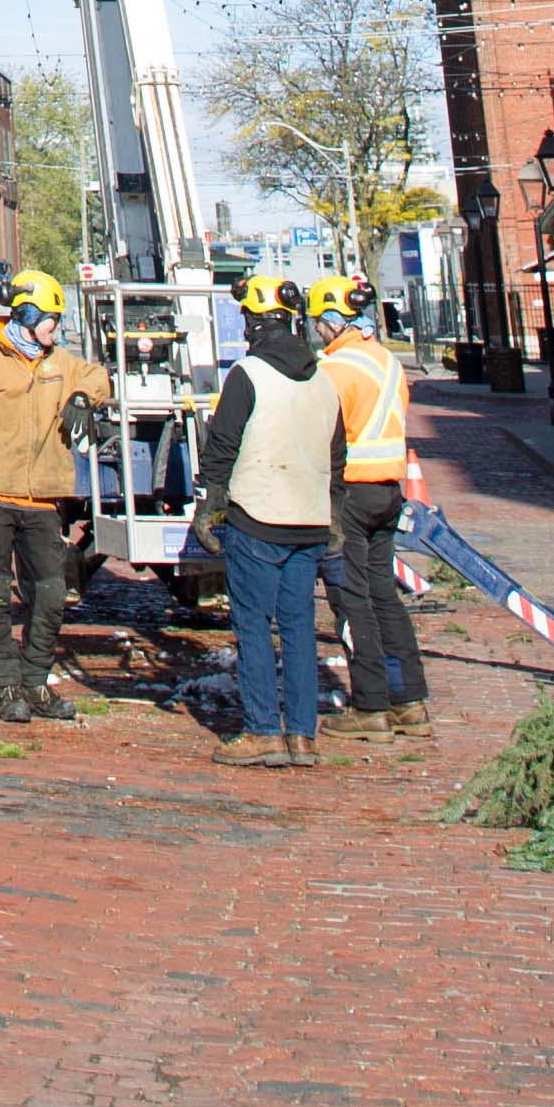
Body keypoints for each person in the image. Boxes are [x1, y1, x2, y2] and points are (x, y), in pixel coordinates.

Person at [0, 263, 112, 727]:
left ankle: (36, 682)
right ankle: (7, 685)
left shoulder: (60, 362)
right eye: (53, 319)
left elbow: (99, 378)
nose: (58, 328)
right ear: (28, 314)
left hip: (43, 502)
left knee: (51, 596)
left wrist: (81, 398)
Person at [196, 270, 347, 769]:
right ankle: (302, 735)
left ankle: (263, 730)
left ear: (255, 322)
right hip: (309, 523)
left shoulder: (249, 375)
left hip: (258, 519)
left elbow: (222, 445)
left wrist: (207, 506)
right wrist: (335, 517)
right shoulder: (323, 378)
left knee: (254, 626)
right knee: (301, 628)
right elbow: (338, 456)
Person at [310, 272, 430, 739]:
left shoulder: (334, 370)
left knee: (351, 598)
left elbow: (321, 434)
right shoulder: (385, 361)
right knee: (385, 595)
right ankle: (409, 699)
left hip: (350, 495)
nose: (317, 329)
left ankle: (371, 705)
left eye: (320, 321)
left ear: (336, 320)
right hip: (387, 490)